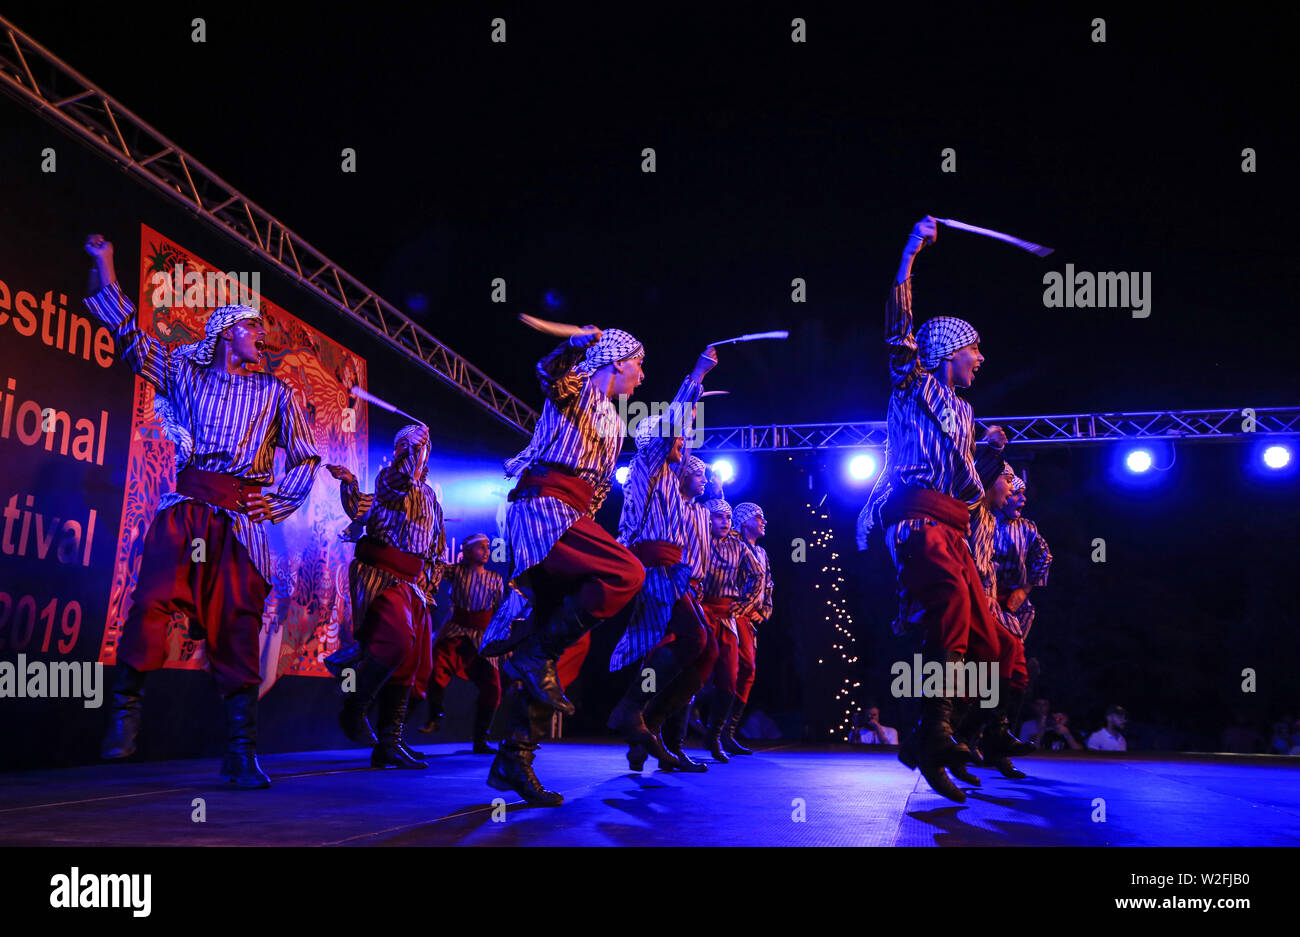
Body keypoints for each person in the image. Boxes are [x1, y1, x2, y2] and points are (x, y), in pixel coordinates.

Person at [85, 233, 320, 789]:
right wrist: (105, 261)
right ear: (224, 334)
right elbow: (125, 333)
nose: (259, 334)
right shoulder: (183, 374)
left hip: (241, 524)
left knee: (237, 626)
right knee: (152, 597)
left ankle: (241, 752)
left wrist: (280, 499)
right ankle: (126, 710)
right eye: (250, 325)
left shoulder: (275, 392)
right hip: (188, 507)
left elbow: (307, 455)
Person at [855, 215, 1019, 803]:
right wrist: (910, 253)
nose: (981, 358)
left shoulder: (962, 410)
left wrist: (989, 455)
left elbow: (969, 481)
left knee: (990, 644)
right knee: (950, 606)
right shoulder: (914, 383)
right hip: (919, 520)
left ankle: (934, 735)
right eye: (974, 348)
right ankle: (936, 729)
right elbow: (899, 329)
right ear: (948, 350)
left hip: (950, 527)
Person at [478, 327, 648, 805]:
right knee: (627, 573)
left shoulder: (614, 424)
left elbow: (593, 495)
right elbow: (549, 372)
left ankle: (515, 756)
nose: (642, 375)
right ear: (617, 362)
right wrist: (575, 343)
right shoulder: (574, 392)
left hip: (570, 513)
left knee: (562, 646)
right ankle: (535, 655)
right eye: (639, 363)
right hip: (543, 506)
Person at [607, 348, 719, 770]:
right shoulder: (647, 464)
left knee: (703, 652)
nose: (682, 444)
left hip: (673, 571)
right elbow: (671, 422)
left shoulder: (673, 480)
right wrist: (697, 374)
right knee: (694, 640)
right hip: (654, 568)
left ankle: (646, 727)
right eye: (676, 439)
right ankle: (632, 711)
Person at [327, 423, 444, 770]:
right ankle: (353, 708)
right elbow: (392, 485)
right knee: (395, 643)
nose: (419, 453)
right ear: (399, 452)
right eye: (407, 448)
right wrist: (411, 446)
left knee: (409, 664)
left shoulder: (430, 495)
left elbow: (435, 545)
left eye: (422, 447)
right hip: (382, 576)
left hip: (413, 585)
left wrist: (430, 582)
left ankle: (389, 743)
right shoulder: (390, 482)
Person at [960, 458, 1036, 780]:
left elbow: (1044, 558)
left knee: (1014, 669)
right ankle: (964, 739)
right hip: (977, 597)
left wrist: (1025, 589)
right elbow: (982, 476)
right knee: (980, 671)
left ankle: (993, 740)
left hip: (1001, 604)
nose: (1018, 497)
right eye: (1011, 487)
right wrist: (992, 450)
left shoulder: (1022, 527)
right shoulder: (977, 510)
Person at [420, 533, 504, 754]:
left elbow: (500, 611)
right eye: (480, 547)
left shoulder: (495, 579)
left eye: (488, 547)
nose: (486, 551)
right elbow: (433, 566)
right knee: (436, 668)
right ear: (466, 552)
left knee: (492, 686)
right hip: (456, 630)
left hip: (483, 635)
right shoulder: (456, 572)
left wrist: (504, 639)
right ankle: (434, 716)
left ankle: (480, 739)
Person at [697, 499, 763, 763]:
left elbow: (758, 576)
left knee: (731, 677)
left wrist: (744, 604)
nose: (724, 522)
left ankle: (715, 736)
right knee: (693, 673)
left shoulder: (737, 546)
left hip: (727, 615)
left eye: (727, 517)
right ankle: (671, 736)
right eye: (718, 517)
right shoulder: (698, 540)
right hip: (701, 612)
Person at [729, 502, 773, 756]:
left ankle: (727, 730)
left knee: (746, 671)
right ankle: (715, 727)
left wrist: (763, 611)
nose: (763, 521)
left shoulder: (762, 553)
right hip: (734, 615)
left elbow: (768, 586)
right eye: (759, 517)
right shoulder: (735, 546)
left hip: (750, 619)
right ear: (744, 521)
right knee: (739, 668)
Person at [993, 474, 1053, 641]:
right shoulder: (983, 521)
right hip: (983, 595)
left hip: (1012, 599)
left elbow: (1045, 557)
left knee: (1013, 645)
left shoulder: (1026, 527)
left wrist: (1024, 589)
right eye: (1017, 493)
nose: (1023, 499)